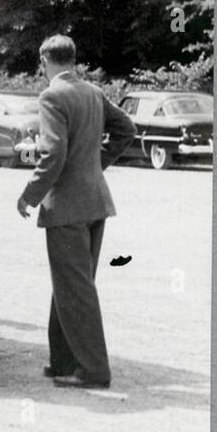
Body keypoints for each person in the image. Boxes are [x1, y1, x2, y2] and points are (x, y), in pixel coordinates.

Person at [16, 35, 135, 389]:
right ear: (73, 59)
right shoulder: (93, 91)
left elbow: (52, 154)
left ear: (43, 62)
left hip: (67, 205)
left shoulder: (52, 95)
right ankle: (63, 361)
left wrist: (29, 195)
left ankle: (94, 369)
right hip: (96, 202)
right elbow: (125, 129)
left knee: (75, 289)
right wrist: (96, 165)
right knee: (72, 285)